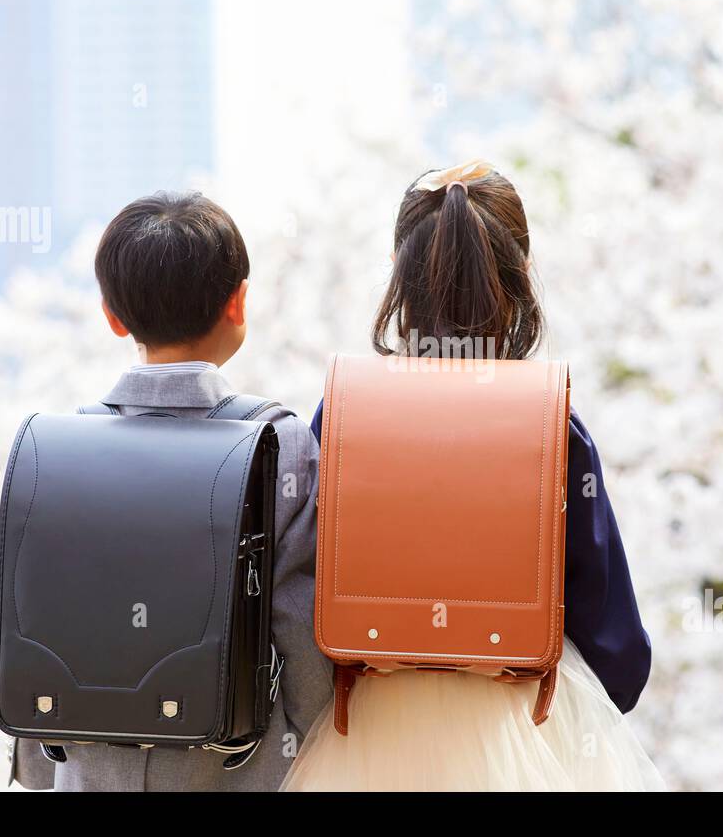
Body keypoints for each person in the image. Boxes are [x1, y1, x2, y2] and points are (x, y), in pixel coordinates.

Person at [282, 161, 663, 790]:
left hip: (372, 736)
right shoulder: (551, 424)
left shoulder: (346, 411)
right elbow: (619, 653)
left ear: (400, 277)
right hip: (519, 735)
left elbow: (302, 596)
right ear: (519, 277)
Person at [9, 191, 331, 791]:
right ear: (238, 302)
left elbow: (34, 617)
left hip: (89, 774)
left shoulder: (61, 447)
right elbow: (300, 631)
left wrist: (41, 767)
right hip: (233, 772)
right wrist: (315, 747)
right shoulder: (277, 443)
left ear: (111, 314)